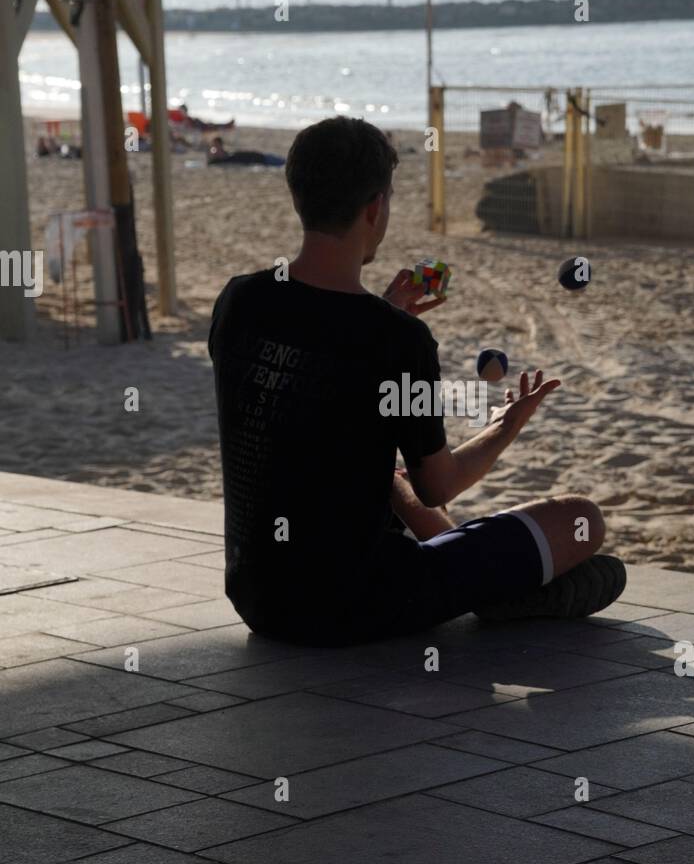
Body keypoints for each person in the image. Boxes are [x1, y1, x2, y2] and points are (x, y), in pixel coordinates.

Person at [208, 116, 625, 647]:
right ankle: (498, 588)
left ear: (297, 196)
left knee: (387, 470)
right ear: (376, 207)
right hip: (357, 603)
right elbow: (439, 486)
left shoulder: (239, 300)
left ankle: (491, 580)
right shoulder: (398, 338)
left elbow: (311, 391)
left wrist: (377, 315)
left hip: (258, 597)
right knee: (580, 518)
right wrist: (504, 424)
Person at [207, 135, 284, 167]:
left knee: (283, 161)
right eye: (214, 145)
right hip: (260, 160)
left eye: (215, 144)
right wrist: (213, 153)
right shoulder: (219, 157)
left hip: (260, 156)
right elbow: (211, 162)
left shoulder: (226, 153)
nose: (214, 146)